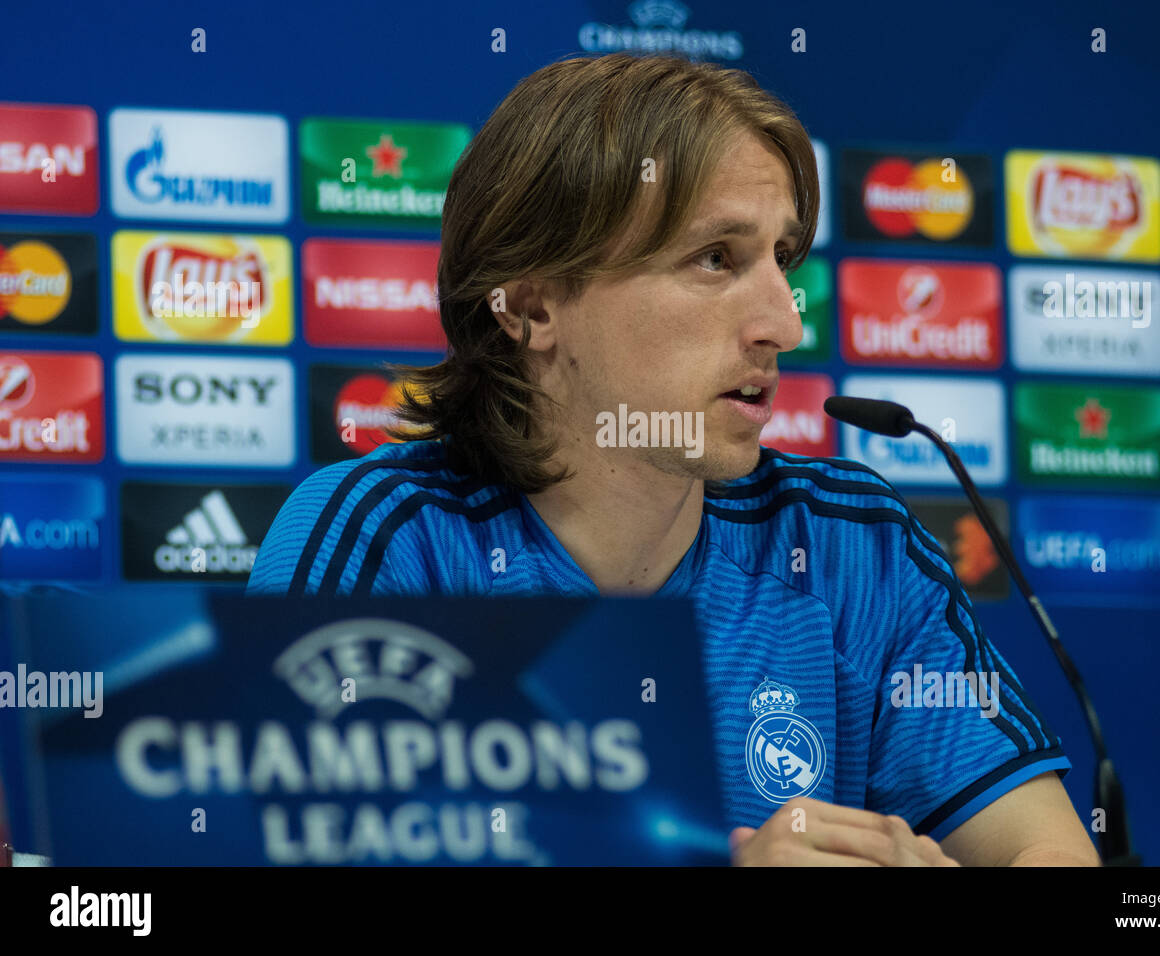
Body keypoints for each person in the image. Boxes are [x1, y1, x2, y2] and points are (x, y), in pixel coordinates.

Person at [249, 51, 1099, 866]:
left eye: (781, 259)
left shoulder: (852, 544)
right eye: (715, 259)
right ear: (533, 307)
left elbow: (1050, 850)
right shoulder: (386, 542)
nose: (785, 324)